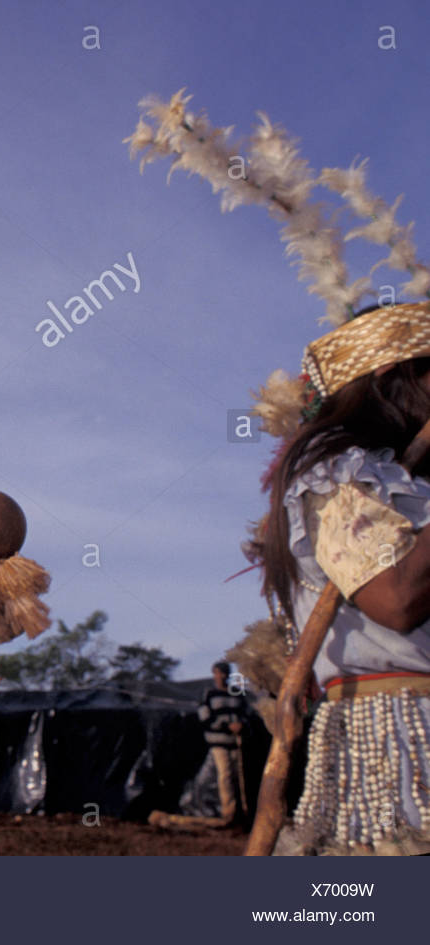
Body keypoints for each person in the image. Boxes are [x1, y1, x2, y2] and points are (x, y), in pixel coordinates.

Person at [257, 302, 430, 855]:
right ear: (391, 374)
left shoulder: (405, 479)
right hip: (402, 747)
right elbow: (396, 598)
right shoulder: (331, 472)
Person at [197, 661, 248, 825]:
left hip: (236, 741)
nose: (220, 677)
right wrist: (226, 726)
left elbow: (246, 713)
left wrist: (241, 725)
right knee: (224, 775)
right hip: (218, 741)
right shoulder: (209, 694)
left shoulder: (237, 694)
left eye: (223, 673)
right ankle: (228, 812)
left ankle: (242, 811)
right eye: (217, 673)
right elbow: (204, 717)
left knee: (237, 775)